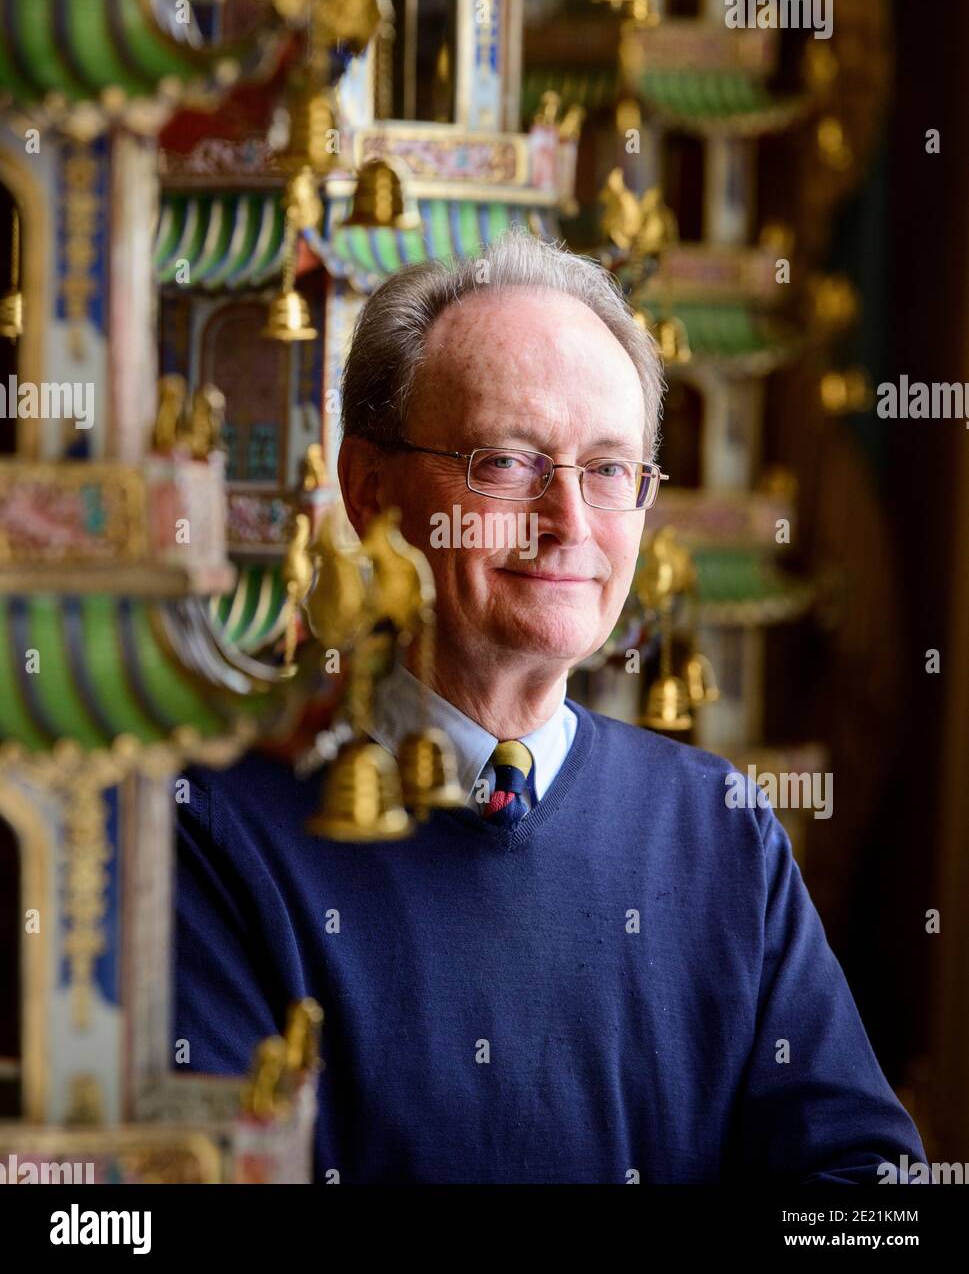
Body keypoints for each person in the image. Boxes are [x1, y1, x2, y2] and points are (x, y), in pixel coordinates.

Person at [175, 228, 927, 1183]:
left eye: (610, 470)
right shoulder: (223, 826)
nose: (569, 523)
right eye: (506, 461)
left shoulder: (717, 829)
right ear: (367, 490)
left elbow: (867, 1191)